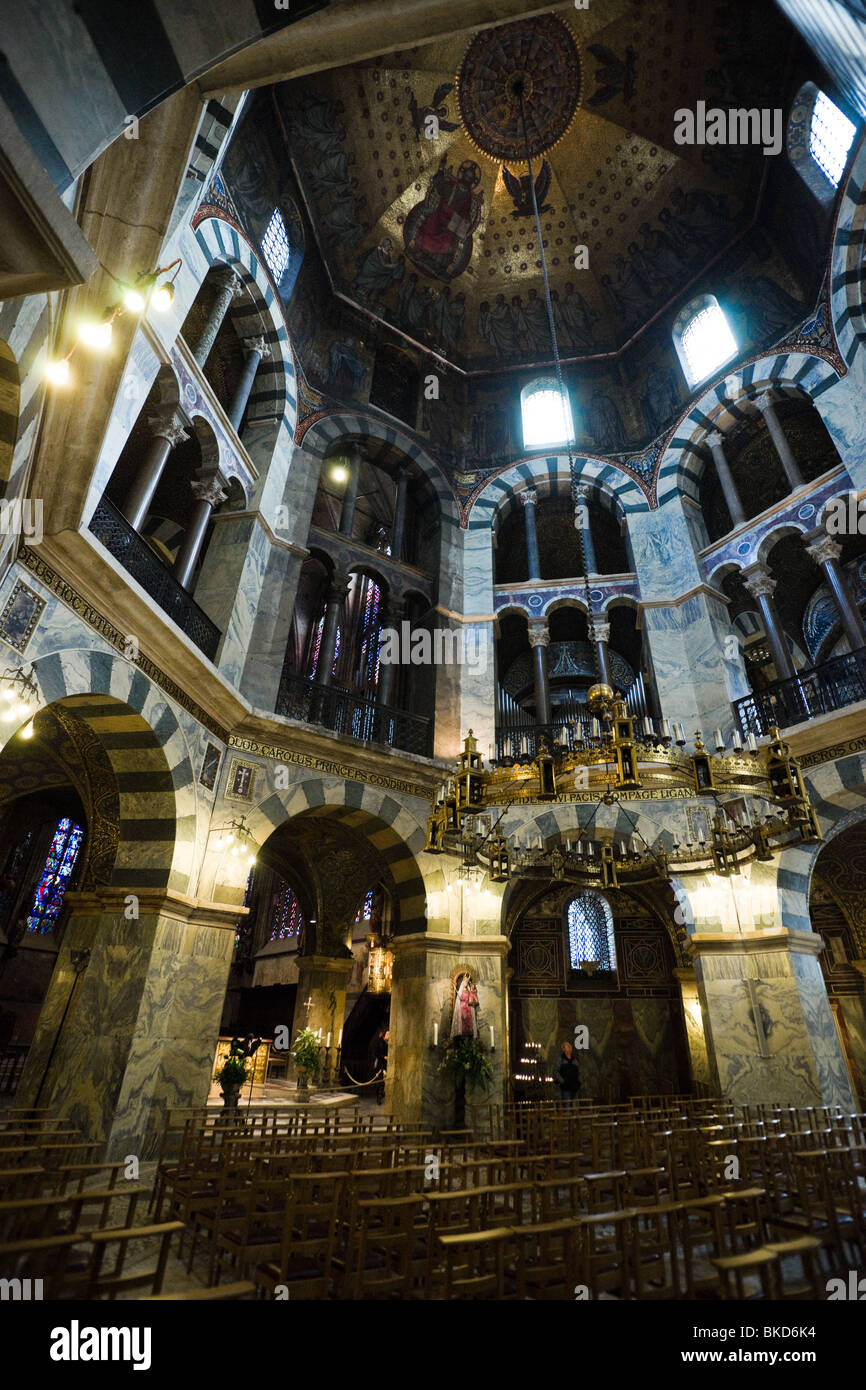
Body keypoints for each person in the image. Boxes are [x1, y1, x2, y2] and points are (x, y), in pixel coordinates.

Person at [554, 1040, 581, 1105]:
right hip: (566, 1088)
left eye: (569, 1047)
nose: (568, 1049)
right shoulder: (560, 1059)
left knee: (575, 1107)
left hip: (575, 1087)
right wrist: (563, 1081)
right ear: (563, 1049)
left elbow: (579, 1072)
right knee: (567, 1107)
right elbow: (556, 1071)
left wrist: (578, 1081)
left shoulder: (575, 1060)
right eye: (566, 1048)